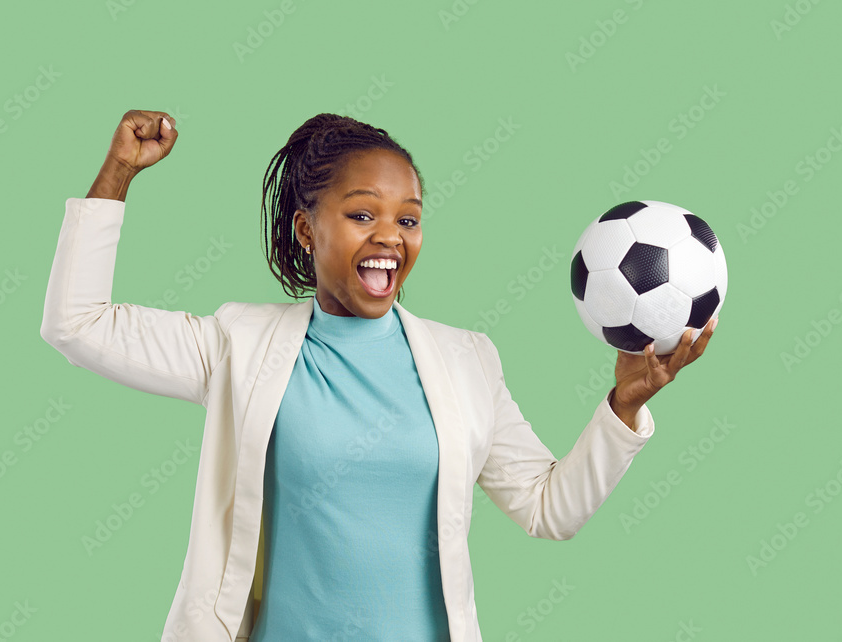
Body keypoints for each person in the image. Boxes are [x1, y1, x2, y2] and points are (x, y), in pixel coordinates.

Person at [40, 110, 716, 642]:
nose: (390, 236)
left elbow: (549, 510)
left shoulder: (467, 359)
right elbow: (77, 325)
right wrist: (118, 172)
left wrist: (623, 407)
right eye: (362, 214)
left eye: (408, 218)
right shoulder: (236, 344)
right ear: (306, 230)